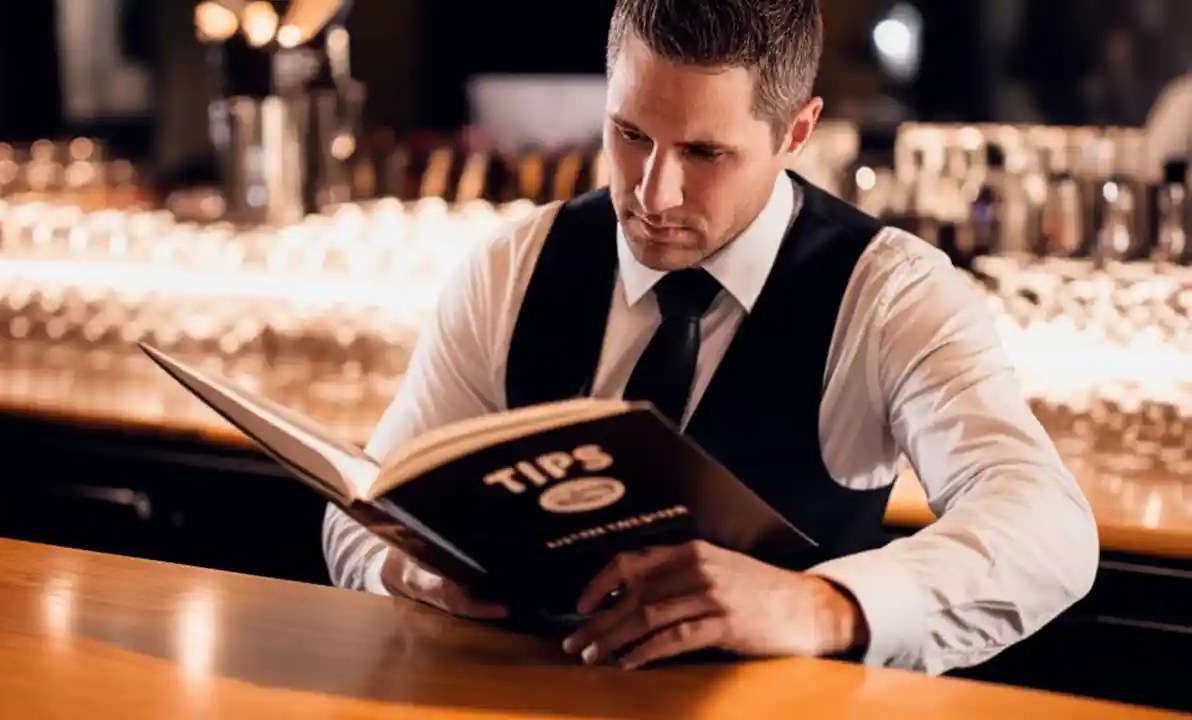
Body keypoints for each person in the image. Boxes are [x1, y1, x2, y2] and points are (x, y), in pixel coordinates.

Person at [323, 0, 1098, 675]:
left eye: (704, 153)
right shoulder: (515, 266)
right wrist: (410, 568)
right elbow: (359, 513)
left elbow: (1049, 529)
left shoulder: (890, 294)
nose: (654, 191)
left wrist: (821, 607)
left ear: (797, 132)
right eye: (629, 133)